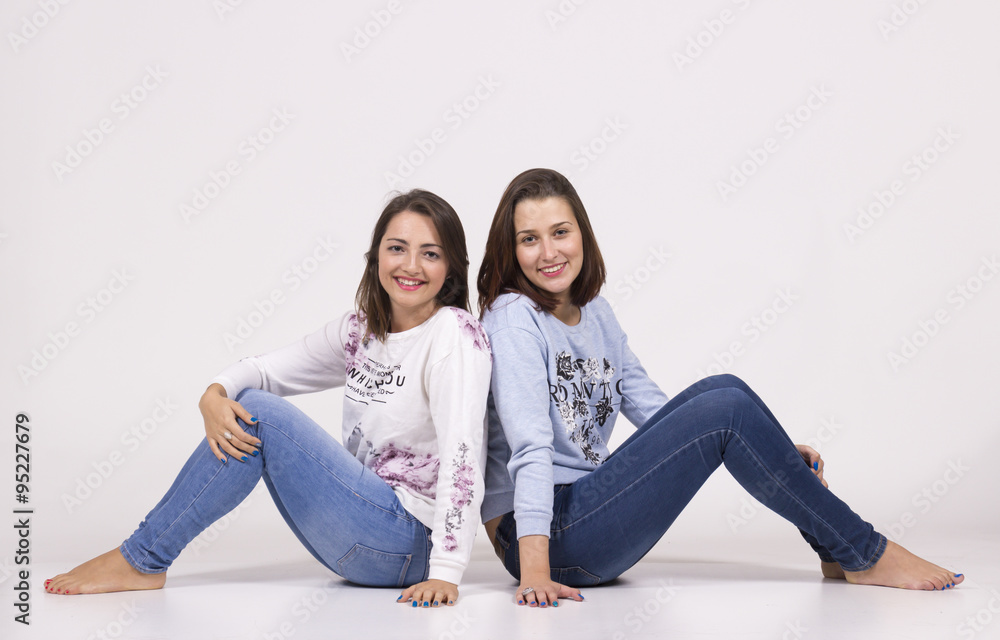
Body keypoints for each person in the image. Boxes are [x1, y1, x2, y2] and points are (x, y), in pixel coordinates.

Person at [476, 168, 964, 608]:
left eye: (560, 232)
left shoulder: (595, 311)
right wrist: (535, 571)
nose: (549, 252)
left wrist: (768, 447)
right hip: (544, 536)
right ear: (510, 250)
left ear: (582, 233)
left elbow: (654, 410)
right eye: (529, 239)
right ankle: (865, 551)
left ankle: (837, 552)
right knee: (725, 407)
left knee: (726, 390)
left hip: (586, 509)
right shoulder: (513, 318)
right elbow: (531, 446)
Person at [45, 190, 492, 608]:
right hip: (364, 532)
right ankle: (142, 558)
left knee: (259, 413)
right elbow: (266, 370)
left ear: (451, 268)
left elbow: (464, 455)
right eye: (397, 248)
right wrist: (214, 393)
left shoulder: (453, 334)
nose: (411, 265)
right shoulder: (361, 331)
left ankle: (141, 558)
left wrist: (446, 573)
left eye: (430, 254)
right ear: (376, 256)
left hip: (412, 544)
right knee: (248, 401)